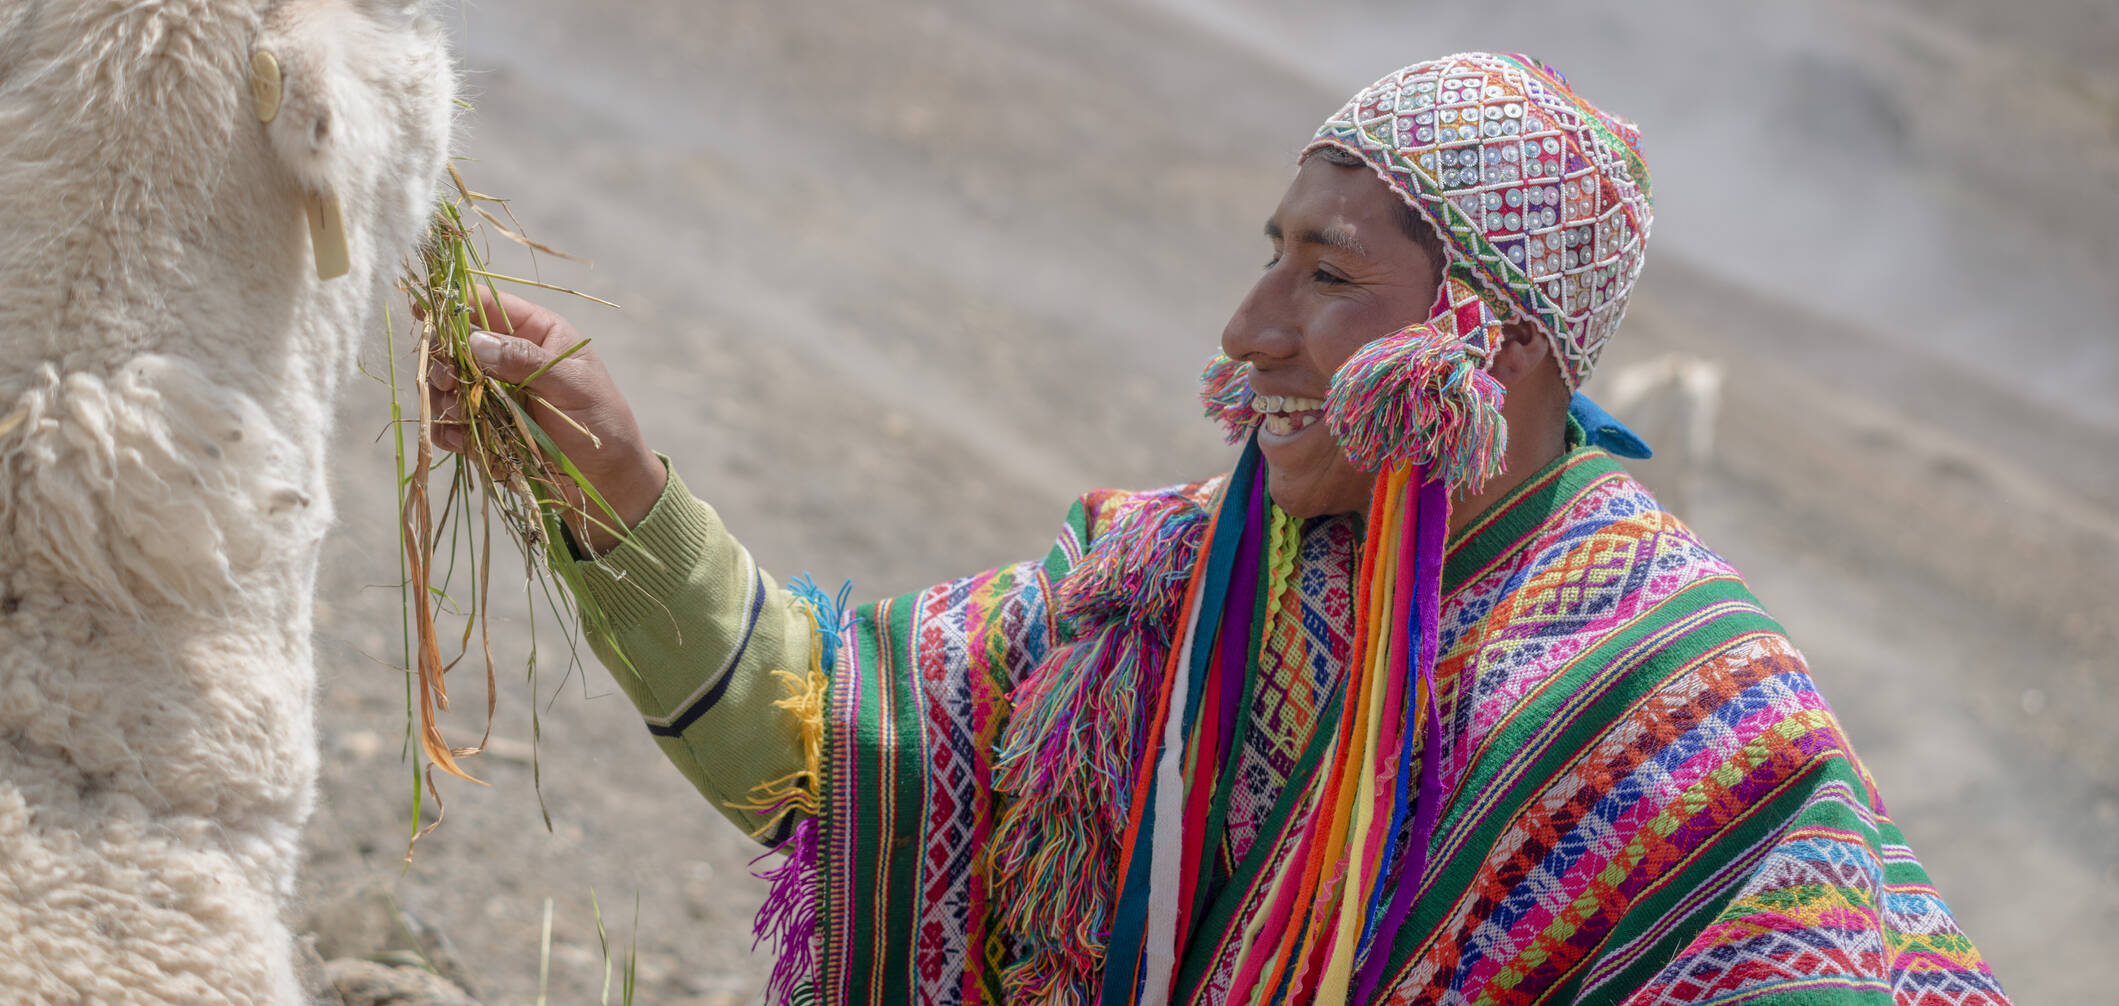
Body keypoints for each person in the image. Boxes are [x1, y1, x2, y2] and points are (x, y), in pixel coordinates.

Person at [432, 53, 2008, 1006]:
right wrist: (620, 486)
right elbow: (838, 735)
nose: (1250, 327)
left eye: (1328, 276)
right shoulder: (1172, 582)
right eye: (1272, 256)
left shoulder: (1689, 710)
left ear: (1498, 339)